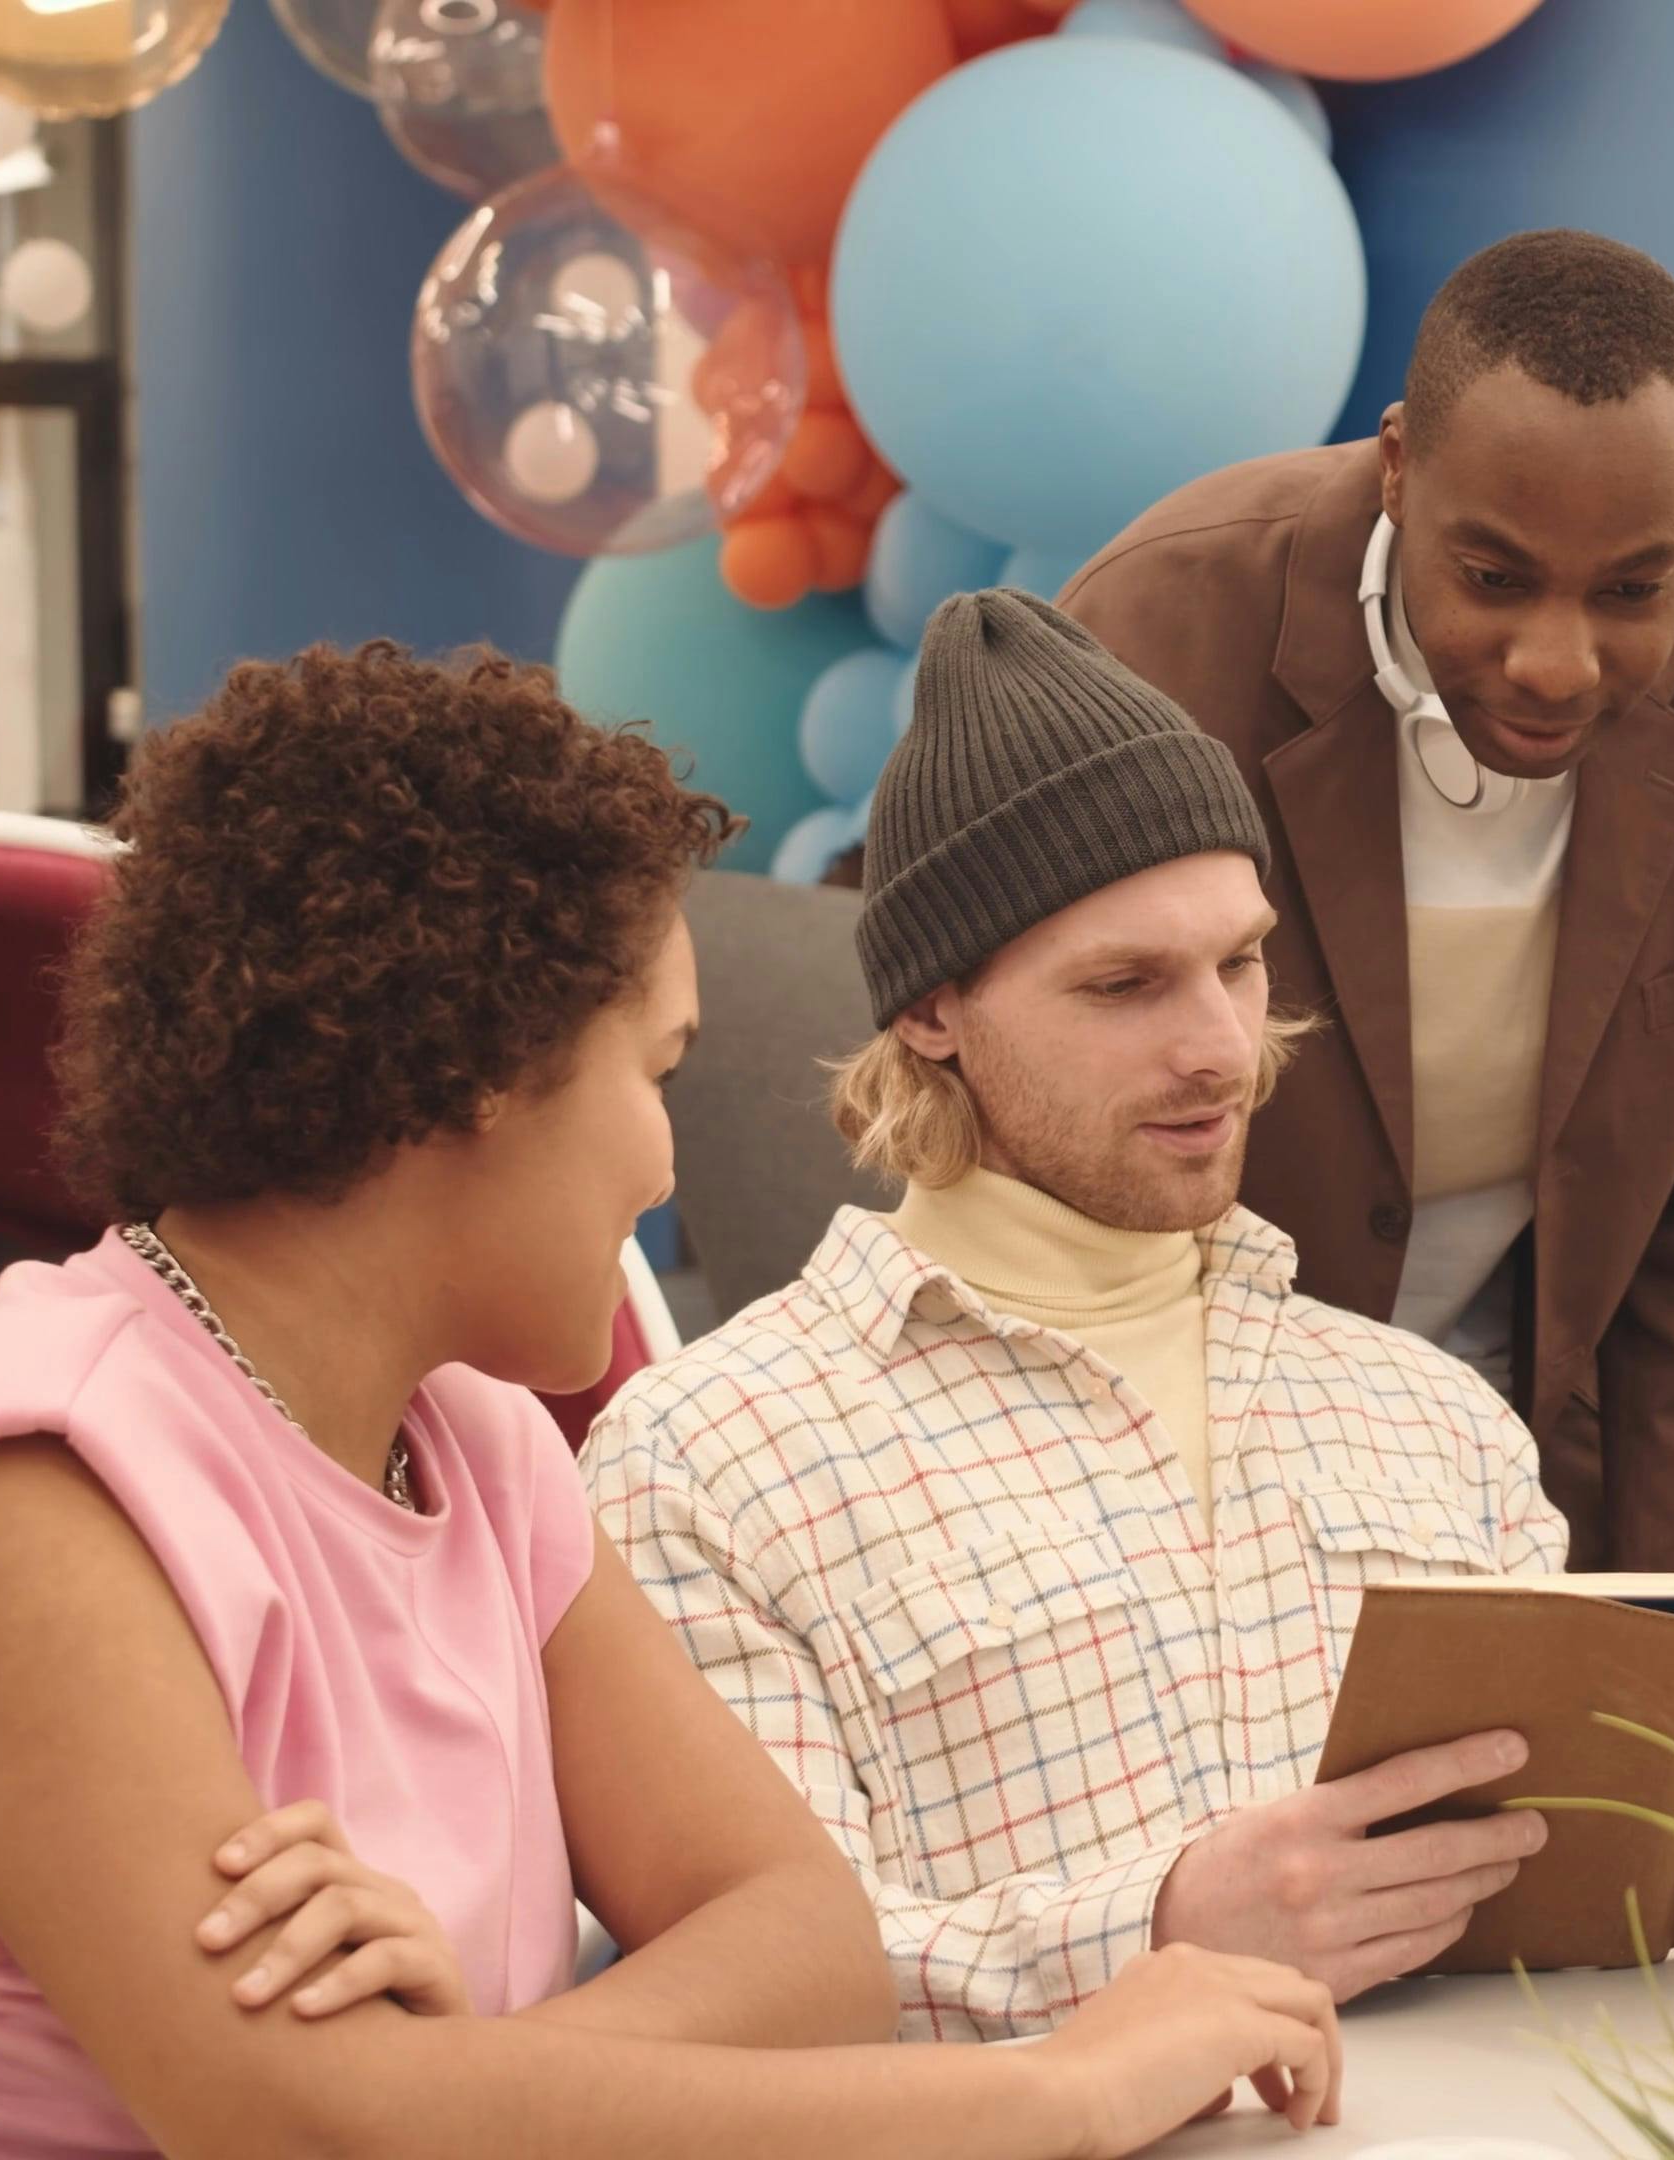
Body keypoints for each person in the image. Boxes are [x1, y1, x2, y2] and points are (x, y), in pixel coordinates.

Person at [0, 645, 1348, 2157]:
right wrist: (1056, 2089)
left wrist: (466, 2084)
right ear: (478, 1066)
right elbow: (306, 2132)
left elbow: (808, 1944)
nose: (669, 1159)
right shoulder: (17, 1486)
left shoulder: (476, 1445)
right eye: (656, 1073)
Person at [586, 591, 1568, 2041]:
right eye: (1125, 985)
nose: (1221, 1049)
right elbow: (749, 2000)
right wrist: (1155, 1936)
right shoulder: (705, 1466)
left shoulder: (1436, 1422)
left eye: (1239, 961)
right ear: (931, 1009)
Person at [1058, 229, 1674, 1575]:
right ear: (1396, 468)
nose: (1556, 663)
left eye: (1631, 590)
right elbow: (1055, 1181)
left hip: (1549, 1478)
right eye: (1493, 579)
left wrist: (1672, 1645)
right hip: (1178, 1479)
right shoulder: (1154, 637)